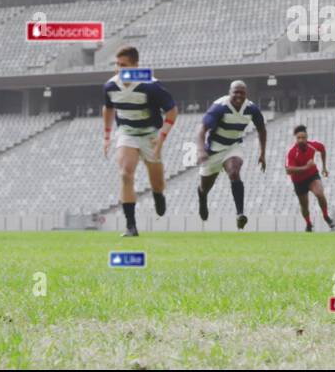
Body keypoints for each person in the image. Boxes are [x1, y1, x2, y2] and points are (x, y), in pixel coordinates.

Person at [103, 46, 177, 237]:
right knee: (125, 174)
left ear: (136, 66)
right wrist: (107, 136)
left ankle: (158, 195)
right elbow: (108, 108)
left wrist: (161, 138)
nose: (119, 69)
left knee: (157, 183)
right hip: (127, 133)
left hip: (150, 134)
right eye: (117, 65)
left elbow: (172, 111)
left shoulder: (150, 86)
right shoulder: (110, 86)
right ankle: (131, 226)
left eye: (124, 65)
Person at [195, 81, 266, 229]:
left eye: (242, 92)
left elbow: (261, 129)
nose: (239, 95)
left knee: (234, 172)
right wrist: (201, 150)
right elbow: (202, 129)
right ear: (230, 92)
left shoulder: (251, 108)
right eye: (236, 92)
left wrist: (262, 153)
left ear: (246, 94)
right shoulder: (219, 107)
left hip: (233, 147)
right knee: (205, 187)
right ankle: (202, 198)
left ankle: (240, 214)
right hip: (214, 150)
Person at [284, 124, 333, 232]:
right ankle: (309, 224)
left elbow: (323, 149)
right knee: (304, 206)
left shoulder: (312, 146)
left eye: (303, 137)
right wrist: (306, 167)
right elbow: (288, 170)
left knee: (320, 193)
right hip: (298, 181)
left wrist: (324, 167)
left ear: (307, 138)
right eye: (298, 138)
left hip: (312, 176)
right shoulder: (292, 152)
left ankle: (326, 216)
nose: (301, 140)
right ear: (296, 139)